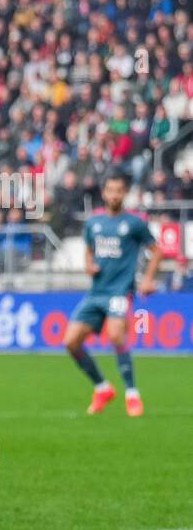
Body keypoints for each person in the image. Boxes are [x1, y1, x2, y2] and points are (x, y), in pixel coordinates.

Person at [63, 170, 160, 417]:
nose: (115, 195)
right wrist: (88, 265)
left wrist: (148, 279)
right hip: (97, 291)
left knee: (116, 334)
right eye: (110, 190)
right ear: (104, 193)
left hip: (120, 290)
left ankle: (132, 395)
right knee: (71, 342)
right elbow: (87, 248)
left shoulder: (135, 223)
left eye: (119, 190)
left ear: (125, 193)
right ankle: (102, 388)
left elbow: (156, 251)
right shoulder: (94, 223)